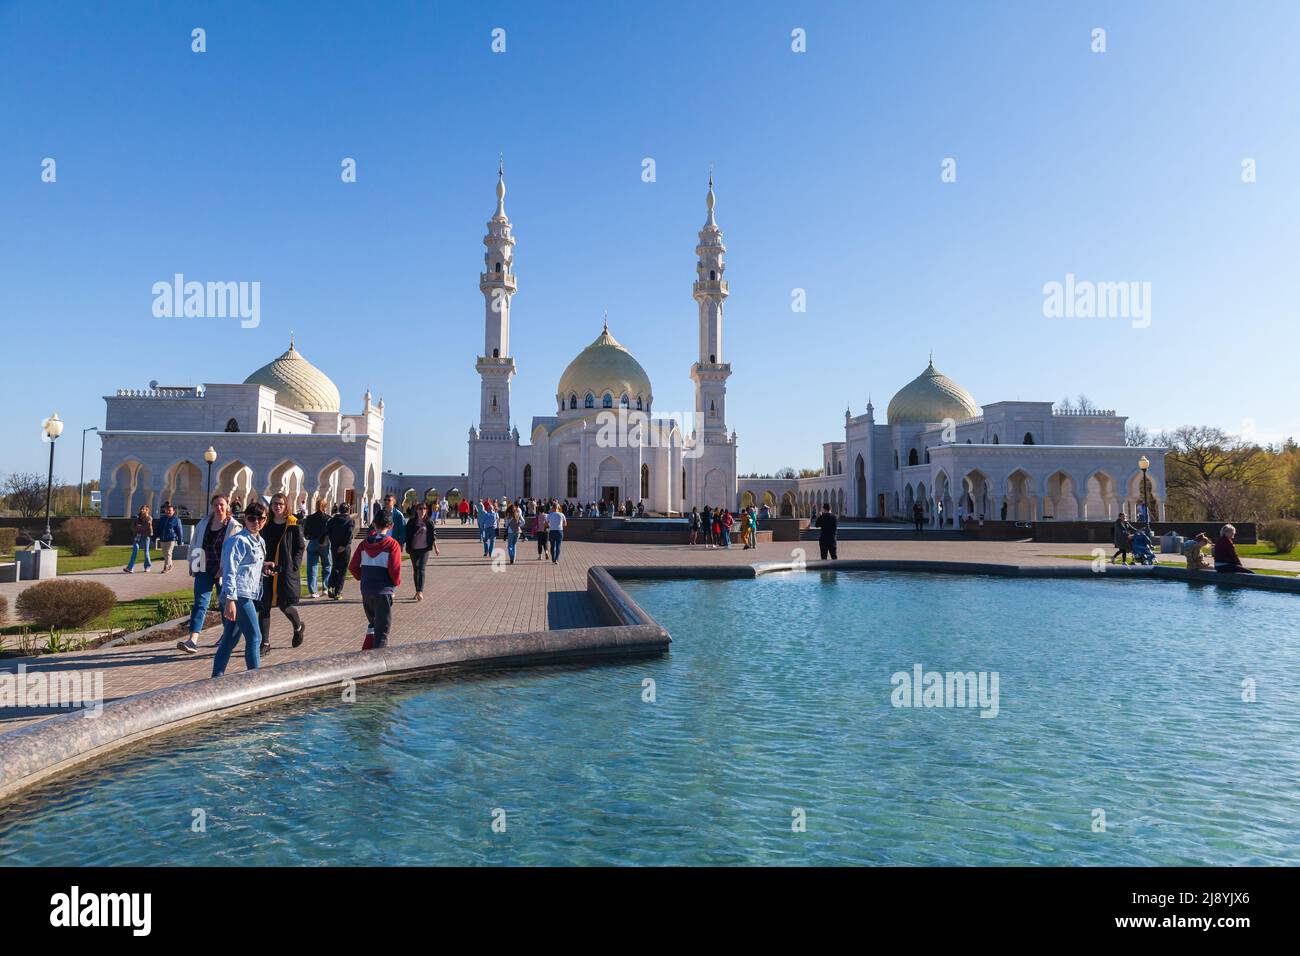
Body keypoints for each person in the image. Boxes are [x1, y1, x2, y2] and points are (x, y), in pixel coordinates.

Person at [210, 501, 268, 678]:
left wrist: (264, 567)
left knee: (229, 639)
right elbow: (230, 571)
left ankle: (216, 678)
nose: (256, 522)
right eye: (251, 518)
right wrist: (230, 600)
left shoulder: (260, 541)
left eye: (260, 518)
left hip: (247, 593)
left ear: (265, 520)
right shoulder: (237, 541)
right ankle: (255, 679)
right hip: (238, 595)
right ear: (245, 519)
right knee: (255, 637)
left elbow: (247, 565)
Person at [178, 494, 241, 653]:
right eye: (216, 505)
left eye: (222, 505)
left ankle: (227, 637)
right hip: (204, 568)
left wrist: (225, 568)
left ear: (227, 506)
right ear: (212, 506)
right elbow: (194, 544)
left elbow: (235, 552)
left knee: (224, 604)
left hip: (224, 571)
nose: (219, 508)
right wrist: (192, 563)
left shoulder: (234, 526)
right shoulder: (204, 523)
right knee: (200, 602)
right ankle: (193, 640)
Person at [257, 492, 306, 654]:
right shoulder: (266, 524)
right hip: (266, 570)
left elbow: (299, 547)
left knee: (284, 605)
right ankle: (265, 643)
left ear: (286, 506)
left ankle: (298, 627)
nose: (277, 506)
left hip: (285, 571)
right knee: (264, 606)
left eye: (281, 504)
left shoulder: (292, 524)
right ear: (270, 506)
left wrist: (294, 566)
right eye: (275, 504)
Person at [349, 507, 403, 648]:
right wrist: (394, 584)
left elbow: (353, 567)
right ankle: (378, 661)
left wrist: (364, 577)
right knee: (383, 629)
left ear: (373, 524)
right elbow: (395, 569)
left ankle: (366, 652)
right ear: (390, 526)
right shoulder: (392, 545)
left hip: (367, 589)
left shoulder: (364, 544)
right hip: (383, 590)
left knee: (373, 624)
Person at [405, 502, 439, 601]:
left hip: (424, 549)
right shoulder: (412, 521)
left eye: (424, 508)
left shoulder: (429, 521)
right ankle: (417, 590)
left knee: (421, 569)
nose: (423, 510)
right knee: (415, 569)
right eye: (420, 508)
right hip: (413, 549)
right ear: (416, 510)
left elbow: (433, 535)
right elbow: (407, 534)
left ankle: (420, 591)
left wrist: (436, 547)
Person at [303, 498, 332, 598]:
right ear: (325, 506)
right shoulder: (328, 518)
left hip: (313, 542)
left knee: (312, 567)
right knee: (327, 565)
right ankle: (325, 588)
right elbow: (330, 531)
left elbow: (305, 532)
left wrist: (310, 537)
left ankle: (313, 591)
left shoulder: (310, 518)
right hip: (325, 543)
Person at [326, 502, 355, 600]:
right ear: (348, 510)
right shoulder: (350, 521)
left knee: (335, 567)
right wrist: (344, 545)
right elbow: (350, 534)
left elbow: (328, 531)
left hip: (334, 547)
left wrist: (333, 542)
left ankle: (330, 586)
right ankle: (338, 592)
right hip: (345, 548)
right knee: (342, 570)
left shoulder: (333, 520)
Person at [154, 501, 183, 573]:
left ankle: (166, 567)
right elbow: (159, 528)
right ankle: (170, 565)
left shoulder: (176, 520)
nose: (168, 512)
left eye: (170, 510)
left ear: (173, 511)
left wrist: (180, 541)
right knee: (165, 554)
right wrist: (154, 537)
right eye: (167, 510)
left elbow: (179, 531)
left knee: (168, 553)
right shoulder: (163, 519)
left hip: (171, 539)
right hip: (163, 539)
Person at [124, 504, 153, 572]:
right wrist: (138, 528)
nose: (141, 510)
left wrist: (139, 527)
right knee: (135, 550)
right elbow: (133, 527)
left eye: (143, 509)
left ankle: (147, 566)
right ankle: (130, 568)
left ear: (147, 510)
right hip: (138, 537)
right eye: (141, 509)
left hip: (146, 536)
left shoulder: (149, 518)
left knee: (146, 552)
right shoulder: (137, 517)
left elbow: (148, 527)